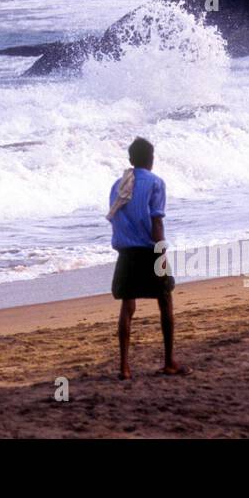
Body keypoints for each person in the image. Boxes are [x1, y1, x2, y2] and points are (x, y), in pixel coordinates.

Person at [108, 137, 189, 381]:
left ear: (131, 160)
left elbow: (116, 218)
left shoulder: (118, 185)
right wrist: (161, 250)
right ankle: (169, 361)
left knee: (127, 306)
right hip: (150, 249)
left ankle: (124, 367)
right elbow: (156, 220)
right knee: (165, 299)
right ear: (151, 160)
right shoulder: (156, 183)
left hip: (127, 251)